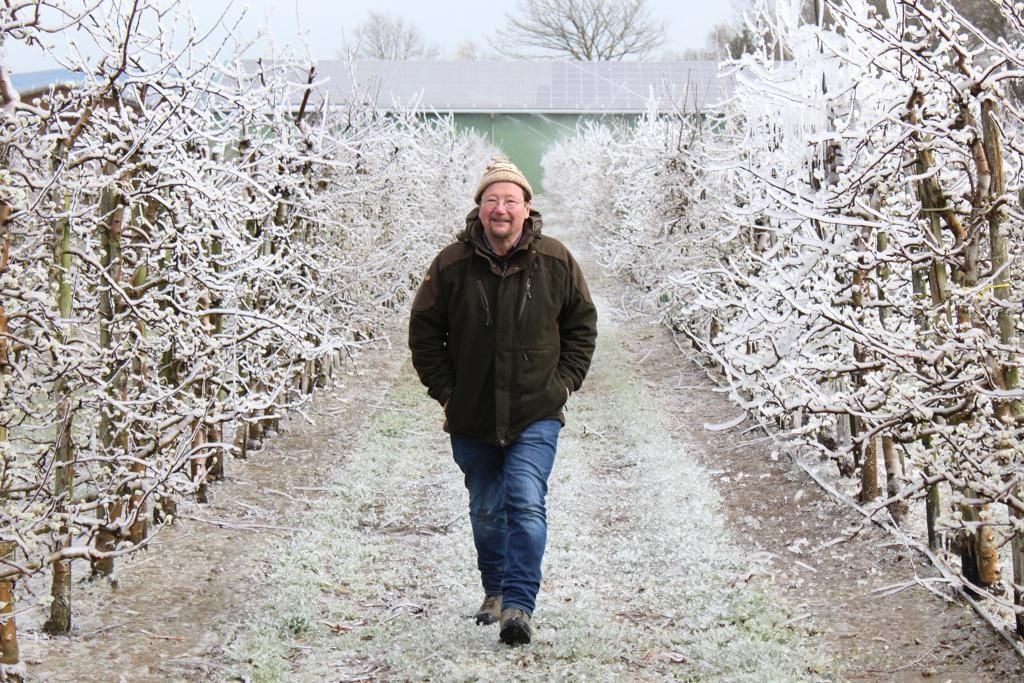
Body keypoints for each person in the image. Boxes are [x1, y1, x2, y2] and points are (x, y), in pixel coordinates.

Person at [408, 156, 598, 645]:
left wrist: (566, 383)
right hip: (472, 415)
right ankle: (494, 590)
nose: (501, 208)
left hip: (536, 410)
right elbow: (425, 334)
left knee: (526, 501)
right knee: (487, 509)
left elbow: (582, 326)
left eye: (510, 200)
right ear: (480, 208)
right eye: (492, 199)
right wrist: (448, 393)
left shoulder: (555, 260)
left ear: (526, 208)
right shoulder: (451, 265)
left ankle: (518, 605)